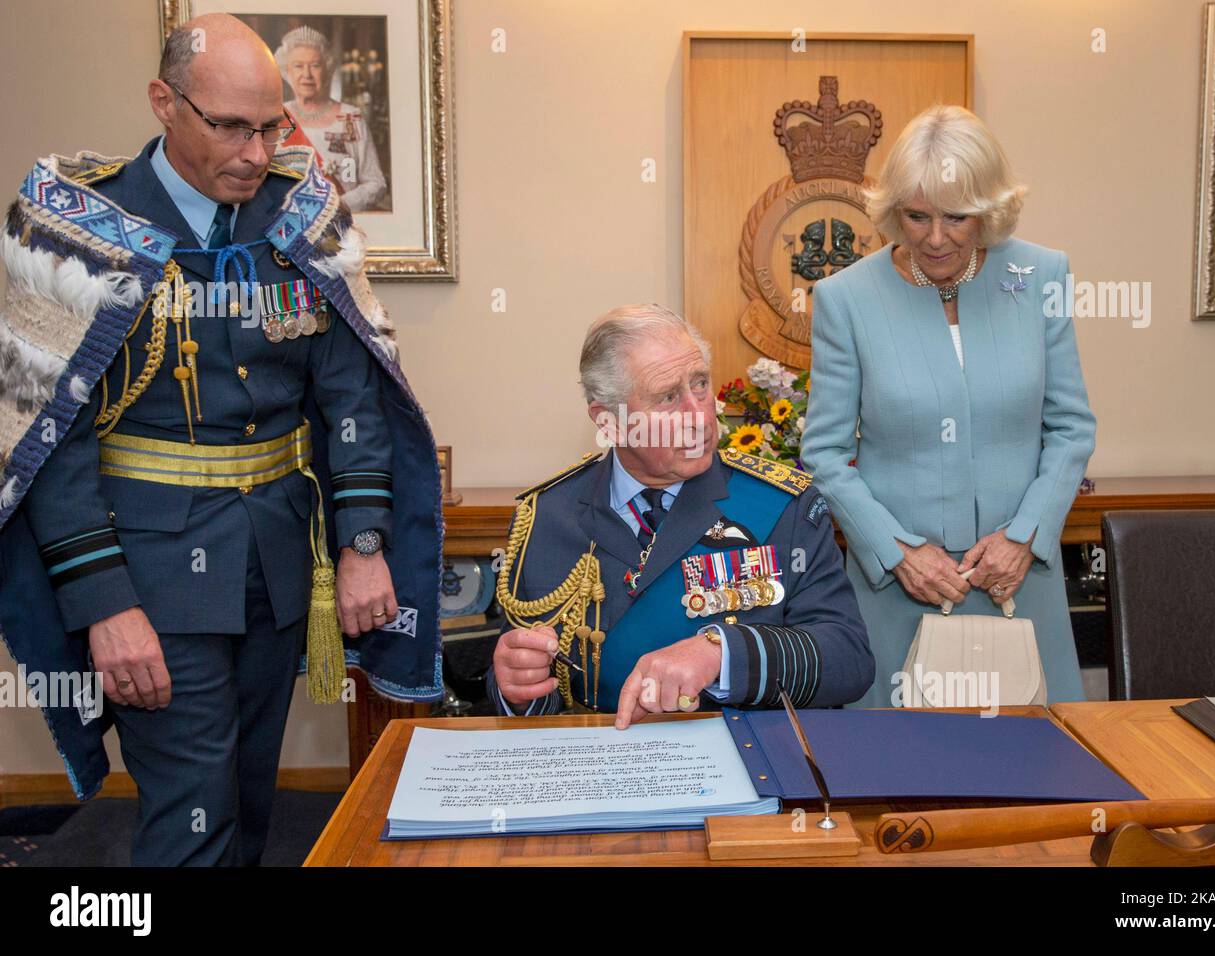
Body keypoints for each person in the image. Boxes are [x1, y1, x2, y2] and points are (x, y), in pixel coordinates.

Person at [0, 13, 443, 865]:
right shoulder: (80, 223)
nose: (255, 149)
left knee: (247, 797)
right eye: (231, 126)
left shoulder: (302, 213)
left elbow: (351, 393)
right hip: (153, 582)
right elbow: (48, 436)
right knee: (193, 814)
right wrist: (105, 606)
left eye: (271, 125)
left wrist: (362, 544)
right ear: (165, 102)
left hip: (275, 567)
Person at [801, 104, 1096, 708]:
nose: (935, 239)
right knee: (894, 784)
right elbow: (825, 454)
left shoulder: (1038, 275)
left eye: (957, 218)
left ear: (990, 210)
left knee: (1031, 778)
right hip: (900, 591)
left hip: (1018, 581)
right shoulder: (846, 300)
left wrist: (1024, 537)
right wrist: (898, 551)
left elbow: (1070, 428)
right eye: (916, 216)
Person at [487, 304, 874, 728]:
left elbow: (849, 660)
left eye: (701, 385)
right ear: (610, 422)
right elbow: (530, 689)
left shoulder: (783, 507)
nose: (701, 416)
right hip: (596, 768)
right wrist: (516, 689)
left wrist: (721, 653)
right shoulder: (545, 515)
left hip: (748, 762)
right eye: (669, 397)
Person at [274, 25, 388, 211]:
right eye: (298, 66)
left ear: (326, 70)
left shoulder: (351, 118)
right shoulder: (277, 117)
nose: (307, 75)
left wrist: (339, 206)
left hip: (341, 226)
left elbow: (375, 183)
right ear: (287, 71)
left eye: (315, 65)